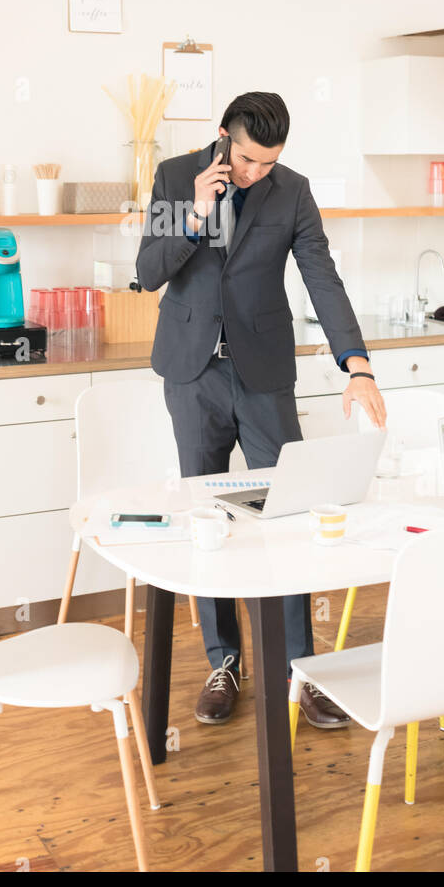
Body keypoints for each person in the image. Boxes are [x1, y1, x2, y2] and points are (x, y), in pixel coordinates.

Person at [135, 91, 386, 730]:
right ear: (223, 137)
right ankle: (224, 661)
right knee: (208, 518)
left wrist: (356, 365)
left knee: (291, 514)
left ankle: (301, 670)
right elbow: (148, 272)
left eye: (267, 163)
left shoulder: (293, 192)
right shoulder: (172, 177)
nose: (254, 173)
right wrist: (195, 211)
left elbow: (321, 278)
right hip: (192, 372)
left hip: (263, 374)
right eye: (245, 159)